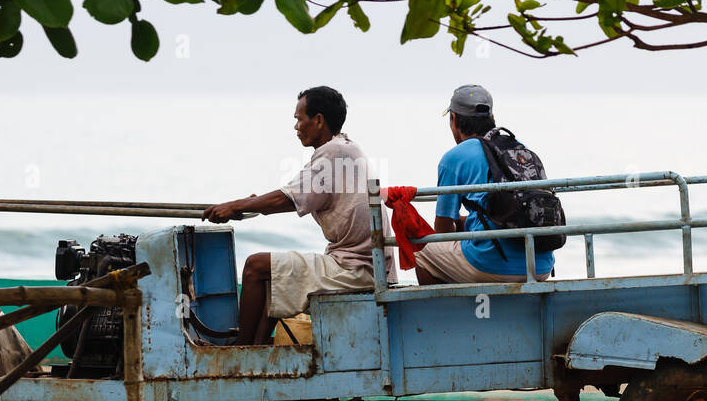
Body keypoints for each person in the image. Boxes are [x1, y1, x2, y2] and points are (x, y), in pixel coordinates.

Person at [202, 86, 391, 344]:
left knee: (255, 266)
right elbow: (294, 193)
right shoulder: (345, 148)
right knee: (271, 274)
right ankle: (257, 347)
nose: (296, 127)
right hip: (363, 264)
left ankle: (241, 350)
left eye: (299, 119)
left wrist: (236, 205)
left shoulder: (333, 153)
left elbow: (288, 198)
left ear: (319, 120)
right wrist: (252, 203)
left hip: (355, 270)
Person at [415, 84, 555, 284]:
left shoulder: (454, 157)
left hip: (492, 264)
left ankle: (452, 314)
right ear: (491, 117)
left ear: (453, 119)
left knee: (423, 253)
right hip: (541, 265)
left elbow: (443, 230)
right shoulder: (521, 149)